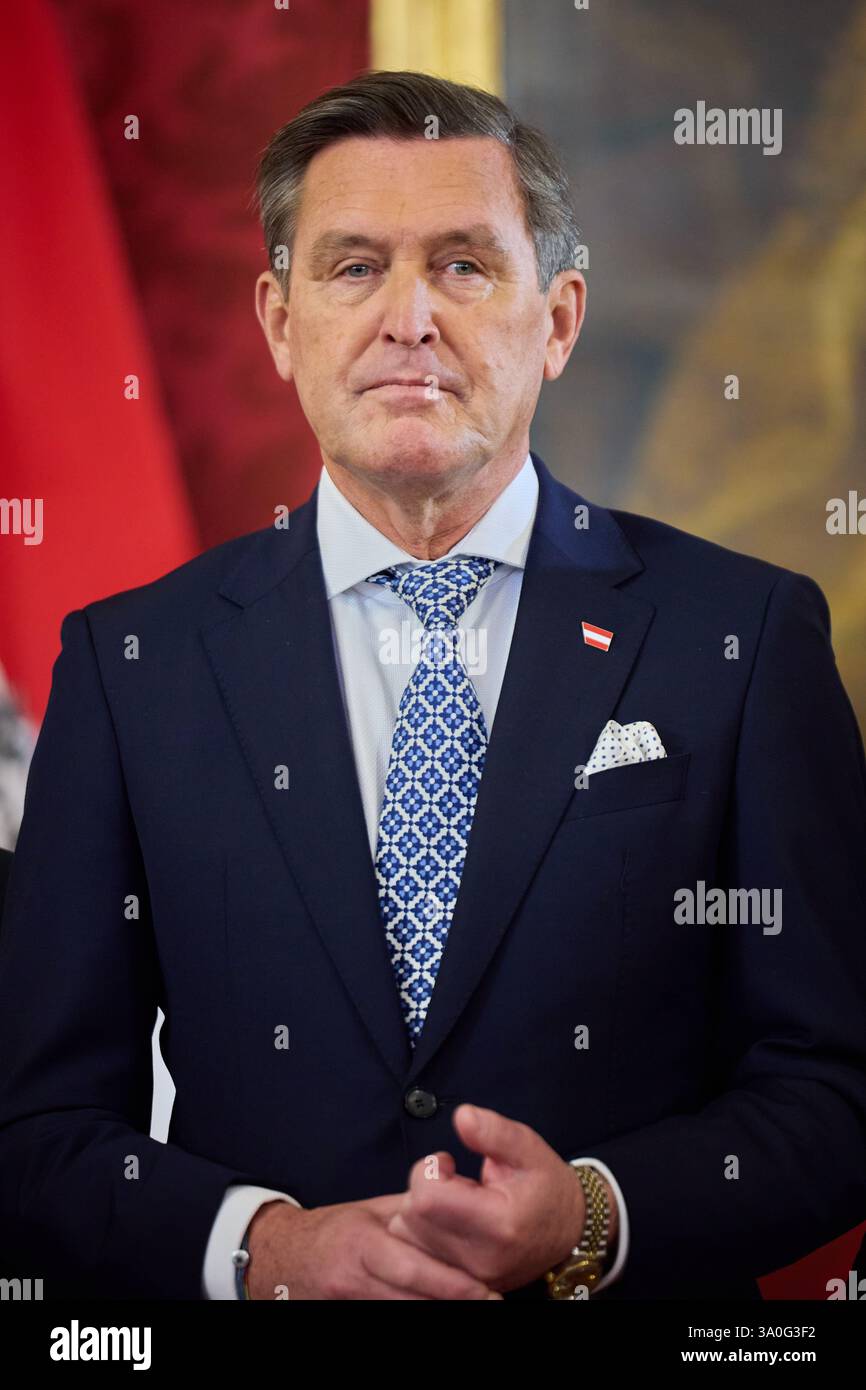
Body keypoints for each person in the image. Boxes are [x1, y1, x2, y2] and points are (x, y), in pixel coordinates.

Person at [1, 69, 865, 1302]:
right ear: (277, 321)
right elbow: (35, 1135)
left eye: (463, 265)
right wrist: (263, 1247)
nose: (409, 317)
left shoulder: (742, 636)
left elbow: (834, 1090)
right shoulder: (130, 668)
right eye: (353, 267)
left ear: (557, 319)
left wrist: (589, 1214)